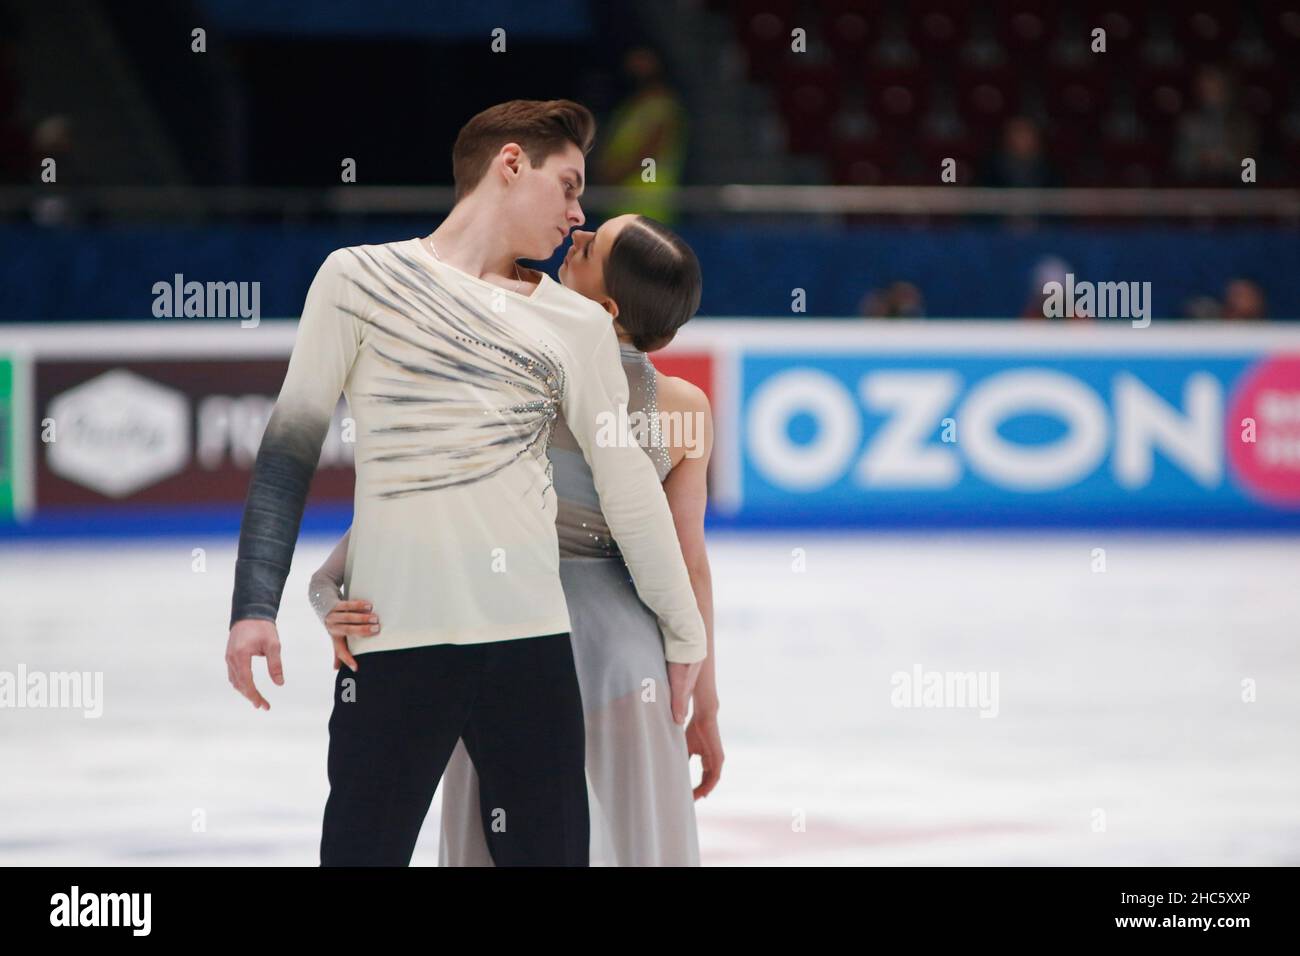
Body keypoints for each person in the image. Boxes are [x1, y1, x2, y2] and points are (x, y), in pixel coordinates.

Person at [223, 100, 708, 867]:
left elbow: (629, 490)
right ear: (511, 164)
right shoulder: (358, 280)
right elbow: (289, 451)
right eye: (570, 187)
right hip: (393, 647)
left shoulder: (575, 326)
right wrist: (257, 606)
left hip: (531, 653)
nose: (578, 214)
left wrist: (685, 637)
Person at [310, 214, 724, 866]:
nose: (574, 239)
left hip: (502, 637)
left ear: (606, 305)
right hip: (625, 659)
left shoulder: (502, 373)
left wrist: (335, 578)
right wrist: (704, 699)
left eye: (591, 248)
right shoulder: (686, 408)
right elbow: (686, 561)